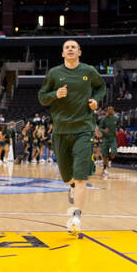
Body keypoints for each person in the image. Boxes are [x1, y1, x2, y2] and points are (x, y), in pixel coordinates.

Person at [38, 40, 106, 235]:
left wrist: (95, 101)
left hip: (84, 129)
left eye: (73, 47)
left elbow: (101, 88)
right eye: (67, 47)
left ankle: (76, 217)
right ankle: (72, 186)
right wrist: (55, 94)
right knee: (67, 176)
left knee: (81, 175)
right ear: (62, 53)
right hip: (60, 130)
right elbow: (42, 97)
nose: (70, 49)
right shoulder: (54, 74)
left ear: (79, 52)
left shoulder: (89, 71)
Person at [97, 105, 119, 177]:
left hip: (112, 138)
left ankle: (108, 161)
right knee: (104, 155)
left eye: (111, 109)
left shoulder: (116, 118)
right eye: (109, 109)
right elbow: (99, 128)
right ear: (107, 111)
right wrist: (103, 130)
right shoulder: (103, 119)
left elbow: (117, 126)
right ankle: (104, 168)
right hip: (105, 139)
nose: (110, 111)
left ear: (113, 111)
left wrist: (117, 131)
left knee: (113, 153)